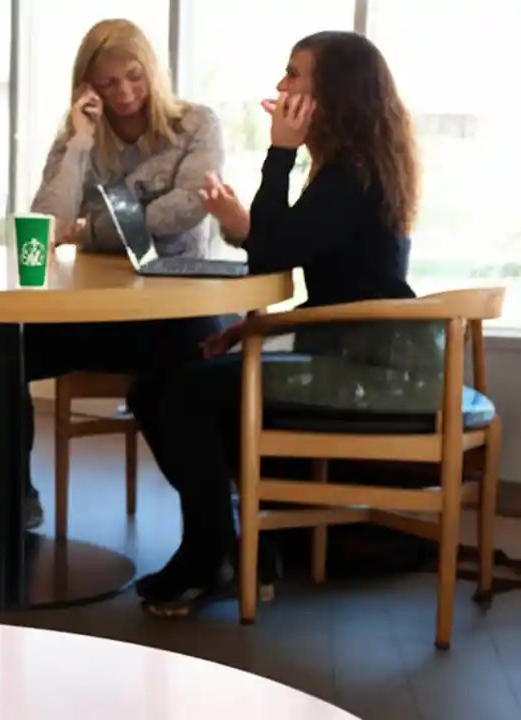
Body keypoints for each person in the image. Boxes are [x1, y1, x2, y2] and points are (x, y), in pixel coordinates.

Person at [130, 30, 420, 615]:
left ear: (332, 93)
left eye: (294, 74)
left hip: (364, 368)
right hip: (357, 350)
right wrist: (252, 330)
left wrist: (280, 150)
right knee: (159, 386)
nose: (281, 86)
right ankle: (238, 545)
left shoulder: (349, 175)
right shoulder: (355, 168)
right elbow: (336, 285)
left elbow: (267, 252)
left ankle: (213, 549)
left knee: (180, 390)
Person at [0, 19, 226, 542]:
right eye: (108, 83)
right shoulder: (80, 133)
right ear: (87, 85)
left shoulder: (196, 125)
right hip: (92, 313)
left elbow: (187, 207)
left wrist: (92, 230)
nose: (123, 94)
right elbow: (46, 225)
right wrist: (78, 143)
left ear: (152, 70)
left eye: (134, 77)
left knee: (186, 378)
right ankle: (7, 499)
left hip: (172, 312)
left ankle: (213, 536)